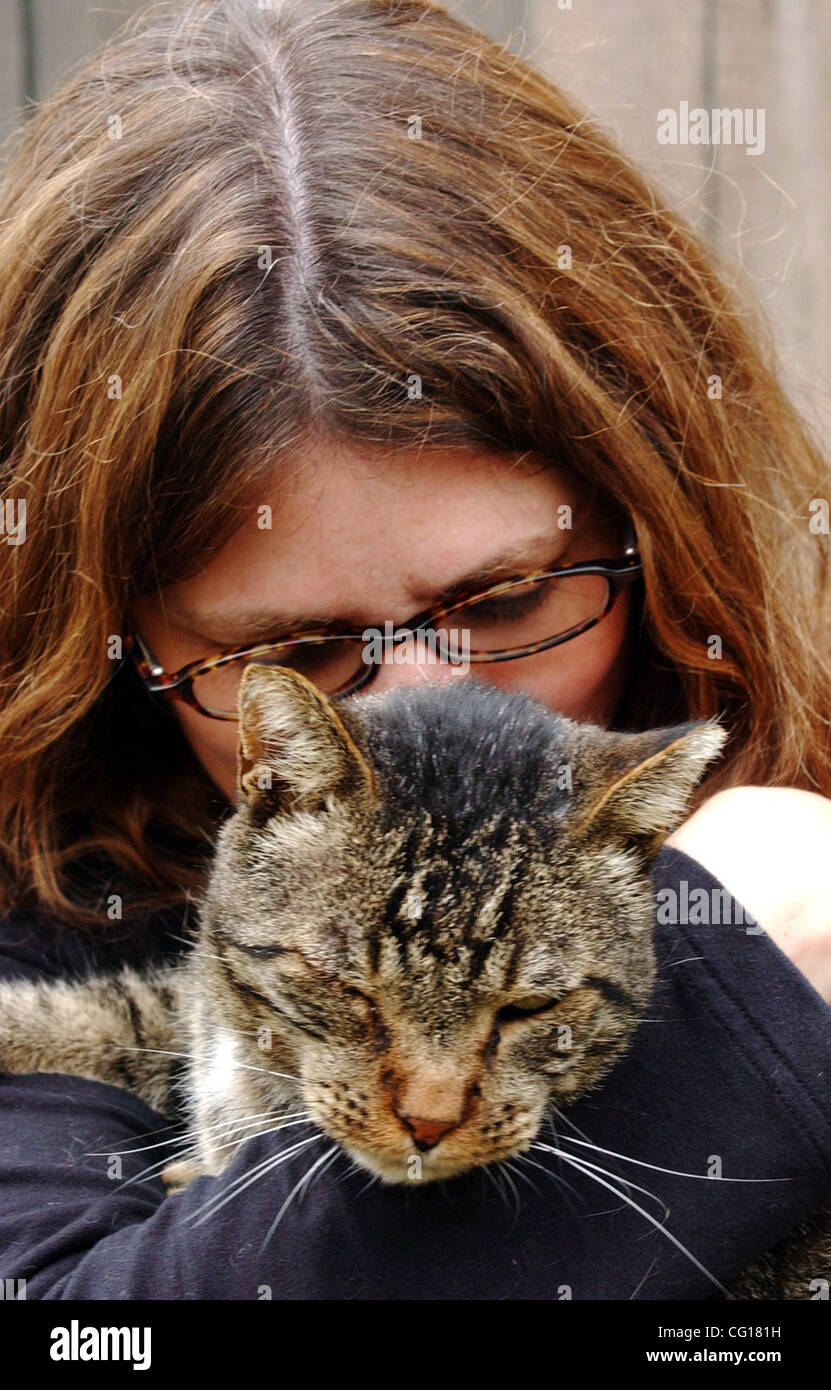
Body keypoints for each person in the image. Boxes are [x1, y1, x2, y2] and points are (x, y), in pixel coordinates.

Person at [0, 0, 829, 1300]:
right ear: (110, 640)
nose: (428, 708)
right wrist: (742, 998)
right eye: (299, 647)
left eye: (503, 600)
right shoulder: (46, 905)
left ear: (656, 531)